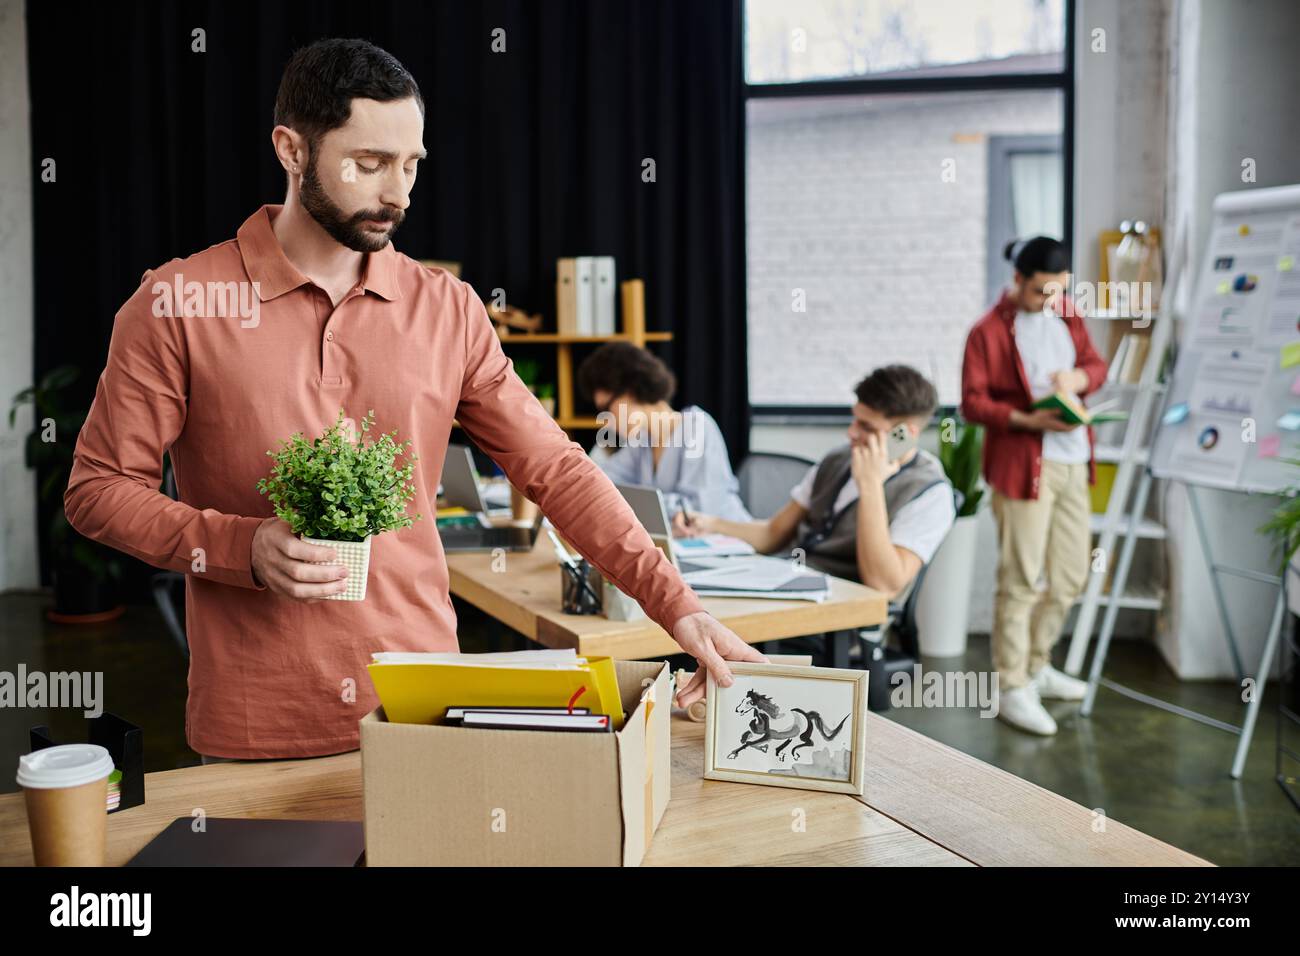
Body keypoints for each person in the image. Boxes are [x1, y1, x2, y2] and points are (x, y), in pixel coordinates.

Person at [63, 38, 763, 762]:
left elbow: (557, 468)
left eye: (411, 165)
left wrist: (677, 606)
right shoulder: (177, 302)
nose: (397, 192)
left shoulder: (448, 309)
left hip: (427, 704)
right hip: (257, 722)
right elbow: (97, 490)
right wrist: (240, 546)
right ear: (291, 150)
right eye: (368, 163)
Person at [961, 236, 1107, 736]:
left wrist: (1076, 381)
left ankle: (1038, 664)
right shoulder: (987, 331)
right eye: (1043, 291)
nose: (1052, 301)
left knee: (1070, 577)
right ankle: (1011, 684)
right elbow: (973, 403)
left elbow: (1096, 366)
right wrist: (1027, 420)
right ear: (1018, 280)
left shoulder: (1068, 315)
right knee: (1021, 577)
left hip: (1073, 463)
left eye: (1059, 291)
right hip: (1023, 464)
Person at [678, 365, 954, 600]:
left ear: (904, 435)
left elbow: (884, 584)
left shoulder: (930, 492)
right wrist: (710, 524)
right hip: (788, 586)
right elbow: (773, 534)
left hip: (841, 615)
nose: (852, 432)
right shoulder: (837, 460)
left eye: (866, 427)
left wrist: (870, 486)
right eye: (855, 419)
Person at [577, 342, 751, 522]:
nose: (606, 421)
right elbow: (602, 481)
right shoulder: (641, 441)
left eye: (606, 408)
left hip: (731, 544)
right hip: (680, 546)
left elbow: (698, 512)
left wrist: (639, 503)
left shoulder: (697, 427)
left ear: (630, 391)